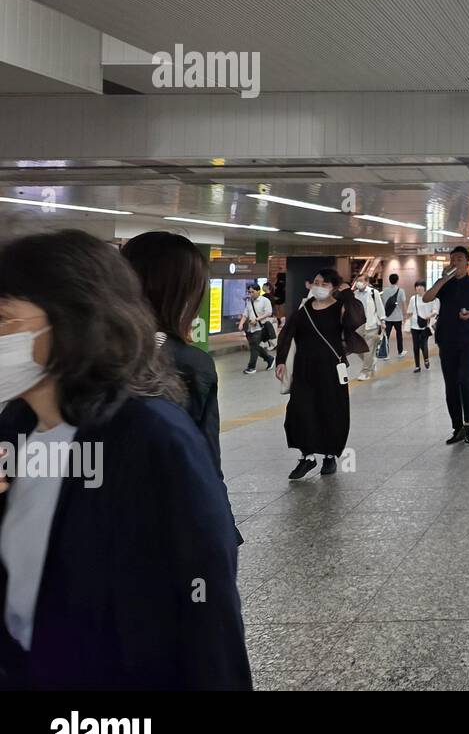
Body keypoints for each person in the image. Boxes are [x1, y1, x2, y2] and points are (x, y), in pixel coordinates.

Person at [0, 229, 250, 690]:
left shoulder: (152, 438)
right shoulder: (15, 426)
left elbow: (205, 622)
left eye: (6, 319)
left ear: (70, 322)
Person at [121, 230, 240, 543]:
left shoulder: (79, 352)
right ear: (184, 294)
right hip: (160, 529)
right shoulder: (188, 364)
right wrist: (221, 532)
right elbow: (203, 462)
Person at [274, 269, 365, 480]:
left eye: (324, 284)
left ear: (334, 287)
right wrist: (280, 360)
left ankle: (330, 455)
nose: (319, 287)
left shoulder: (340, 308)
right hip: (304, 369)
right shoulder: (304, 310)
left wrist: (348, 295)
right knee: (300, 411)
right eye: (316, 282)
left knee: (331, 411)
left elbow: (356, 320)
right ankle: (307, 456)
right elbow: (288, 333)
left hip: (331, 369)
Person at [423, 247, 469, 445]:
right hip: (446, 339)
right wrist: (442, 279)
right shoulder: (445, 284)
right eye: (452, 259)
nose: (455, 263)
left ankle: (468, 424)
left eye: (459, 259)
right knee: (451, 384)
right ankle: (457, 427)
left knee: (466, 380)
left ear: (467, 263)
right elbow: (427, 298)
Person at [238, 283, 275, 374]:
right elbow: (245, 313)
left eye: (252, 292)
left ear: (258, 291)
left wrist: (257, 319)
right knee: (254, 346)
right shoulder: (249, 301)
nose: (250, 294)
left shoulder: (265, 300)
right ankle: (269, 359)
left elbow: (269, 312)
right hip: (250, 328)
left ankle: (251, 367)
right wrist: (241, 323)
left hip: (260, 327)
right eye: (249, 292)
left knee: (254, 346)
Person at [352, 274, 384, 380]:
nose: (358, 283)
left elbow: (379, 307)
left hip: (372, 325)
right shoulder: (354, 294)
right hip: (358, 326)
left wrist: (382, 321)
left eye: (360, 280)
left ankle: (365, 372)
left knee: (368, 350)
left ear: (366, 282)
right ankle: (371, 361)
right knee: (356, 348)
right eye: (357, 280)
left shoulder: (373, 293)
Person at [408, 280, 436, 373]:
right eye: (417, 286)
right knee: (415, 346)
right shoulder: (413, 298)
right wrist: (407, 320)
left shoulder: (430, 298)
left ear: (424, 287)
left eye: (421, 286)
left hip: (425, 326)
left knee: (423, 345)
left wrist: (429, 315)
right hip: (414, 325)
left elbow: (435, 310)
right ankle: (417, 366)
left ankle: (426, 359)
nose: (419, 288)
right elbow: (410, 311)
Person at [381, 273, 407, 358]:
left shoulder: (384, 290)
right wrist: (405, 315)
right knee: (399, 335)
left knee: (386, 336)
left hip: (387, 317)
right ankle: (400, 352)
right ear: (397, 280)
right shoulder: (401, 291)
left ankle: (386, 354)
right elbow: (404, 304)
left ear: (389, 280)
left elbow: (382, 303)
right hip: (398, 317)